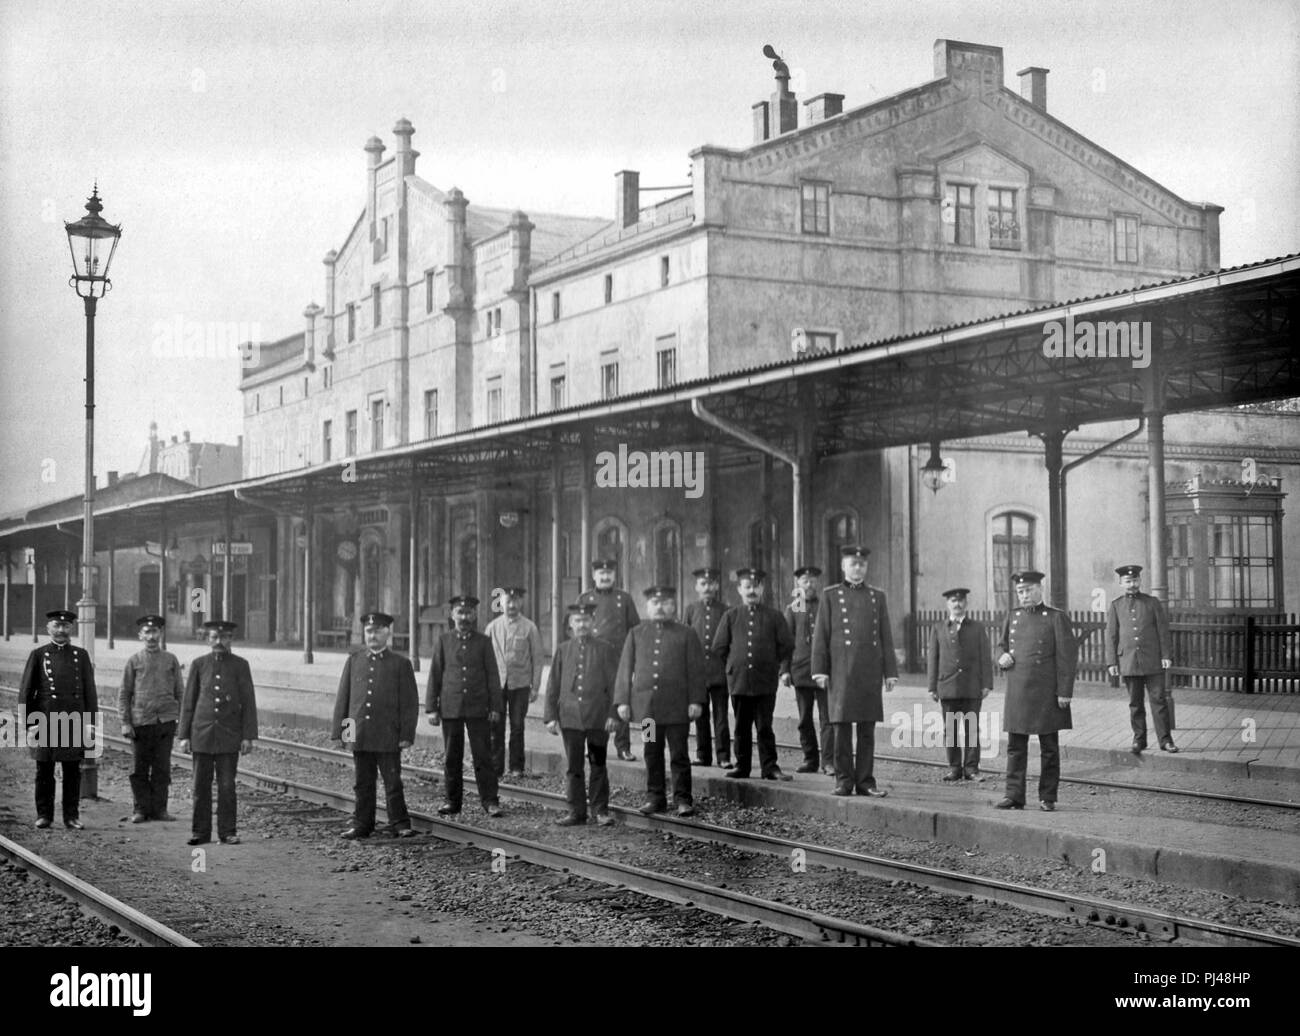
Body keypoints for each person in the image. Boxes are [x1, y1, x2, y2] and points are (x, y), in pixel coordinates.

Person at [811, 547, 897, 797]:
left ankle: (866, 781)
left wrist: (890, 672)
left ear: (866, 567)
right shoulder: (830, 596)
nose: (857, 568)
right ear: (843, 567)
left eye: (861, 564)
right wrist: (819, 670)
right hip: (840, 672)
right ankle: (844, 780)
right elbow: (821, 637)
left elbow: (886, 636)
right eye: (853, 564)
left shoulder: (876, 597)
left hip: (869, 672)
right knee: (842, 730)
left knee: (867, 730)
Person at [614, 586, 706, 817]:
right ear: (648, 606)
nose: (660, 607)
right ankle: (655, 798)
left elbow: (696, 671)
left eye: (665, 603)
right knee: (651, 752)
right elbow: (624, 670)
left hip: (677, 710)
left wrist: (696, 700)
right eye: (655, 603)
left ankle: (683, 799)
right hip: (648, 710)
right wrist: (622, 702)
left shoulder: (686, 633)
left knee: (679, 754)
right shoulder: (636, 633)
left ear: (673, 606)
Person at [331, 612, 419, 839]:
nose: (373, 635)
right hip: (360, 734)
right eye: (369, 631)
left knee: (393, 782)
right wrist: (343, 734)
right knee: (362, 783)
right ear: (364, 633)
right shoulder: (354, 660)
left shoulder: (400, 663)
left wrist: (406, 734)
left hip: (388, 735)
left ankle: (400, 823)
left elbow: (409, 703)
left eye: (378, 631)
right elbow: (345, 700)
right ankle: (362, 824)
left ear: (387, 633)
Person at [995, 571, 1076, 812]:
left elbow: (1067, 657)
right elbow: (1000, 645)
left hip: (1046, 693)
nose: (1024, 595)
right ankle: (1014, 795)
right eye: (1020, 591)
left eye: (1029, 590)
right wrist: (1001, 656)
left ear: (1040, 589)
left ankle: (1048, 797)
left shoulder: (1055, 618)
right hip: (1018, 692)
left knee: (1049, 748)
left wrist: (1064, 691)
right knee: (1015, 747)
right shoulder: (1013, 616)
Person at [179, 620, 258, 845]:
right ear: (207, 640)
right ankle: (200, 833)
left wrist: (247, 736)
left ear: (230, 639)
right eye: (214, 638)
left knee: (227, 786)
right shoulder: (198, 664)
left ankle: (227, 832)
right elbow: (188, 702)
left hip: (229, 735)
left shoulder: (240, 665)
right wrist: (183, 735)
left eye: (223, 638)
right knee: (200, 787)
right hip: (201, 735)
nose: (219, 642)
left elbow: (248, 703)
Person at [426, 596, 504, 817]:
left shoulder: (484, 642)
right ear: (452, 615)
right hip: (451, 708)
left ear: (475, 615)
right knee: (452, 757)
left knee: (483, 756)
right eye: (460, 613)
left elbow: (492, 676)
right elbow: (435, 675)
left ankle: (490, 801)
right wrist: (432, 707)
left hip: (479, 709)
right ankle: (452, 801)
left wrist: (495, 707)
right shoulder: (443, 641)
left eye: (468, 613)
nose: (464, 617)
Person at [20, 609, 98, 830]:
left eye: (65, 626)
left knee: (72, 771)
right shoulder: (38, 654)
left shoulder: (80, 656)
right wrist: (28, 725)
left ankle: (71, 817)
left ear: (71, 629)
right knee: (44, 770)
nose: (61, 630)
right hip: (45, 720)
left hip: (74, 720)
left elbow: (90, 692)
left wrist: (91, 723)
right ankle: (44, 815)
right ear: (48, 629)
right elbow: (26, 692)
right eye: (57, 626)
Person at [714, 568, 794, 781]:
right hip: (739, 682)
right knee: (741, 727)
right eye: (747, 587)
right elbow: (720, 647)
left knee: (765, 726)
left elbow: (786, 646)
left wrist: (771, 664)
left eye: (755, 586)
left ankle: (770, 768)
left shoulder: (775, 616)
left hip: (765, 682)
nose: (752, 591)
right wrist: (734, 667)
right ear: (739, 589)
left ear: (762, 589)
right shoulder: (731, 616)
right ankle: (742, 766)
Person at [544, 603, 619, 826]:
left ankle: (600, 810)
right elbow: (553, 685)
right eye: (577, 620)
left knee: (598, 764)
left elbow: (615, 685)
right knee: (573, 767)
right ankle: (576, 812)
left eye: (586, 620)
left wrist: (613, 714)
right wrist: (551, 716)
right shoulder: (563, 649)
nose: (582, 624)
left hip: (597, 718)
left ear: (593, 623)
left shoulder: (605, 649)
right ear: (570, 624)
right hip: (570, 719)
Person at [1105, 564, 1176, 755]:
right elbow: (1111, 635)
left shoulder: (1152, 603)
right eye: (1128, 581)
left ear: (1140, 581)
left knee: (1159, 701)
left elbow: (1162, 631)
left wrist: (1166, 655)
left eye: (1135, 580)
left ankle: (1166, 741)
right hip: (1128, 662)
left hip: (1153, 661)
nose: (1132, 584)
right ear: (1121, 583)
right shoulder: (1116, 605)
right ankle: (1139, 740)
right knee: (1135, 704)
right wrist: (1112, 662)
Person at [119, 614, 183, 822]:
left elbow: (180, 692)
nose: (151, 636)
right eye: (147, 632)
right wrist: (126, 722)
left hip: (165, 722)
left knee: (162, 768)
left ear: (161, 633)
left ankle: (160, 809)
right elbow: (124, 693)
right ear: (140, 635)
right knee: (139, 768)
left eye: (155, 631)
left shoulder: (171, 659)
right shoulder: (134, 661)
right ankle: (140, 809)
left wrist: (181, 719)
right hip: (141, 722)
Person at [926, 589, 993, 782]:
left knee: (972, 728)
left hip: (972, 687)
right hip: (948, 687)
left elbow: (985, 657)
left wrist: (987, 683)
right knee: (951, 729)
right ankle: (955, 768)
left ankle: (971, 768)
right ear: (948, 604)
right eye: (953, 601)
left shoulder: (977, 628)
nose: (957, 604)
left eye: (961, 601)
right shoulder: (938, 628)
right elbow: (933, 659)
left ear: (966, 603)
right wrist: (932, 686)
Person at [579, 559, 641, 761]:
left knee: (621, 702)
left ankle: (623, 747)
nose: (605, 577)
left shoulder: (624, 599)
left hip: (618, 659)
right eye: (601, 573)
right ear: (594, 576)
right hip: (593, 659)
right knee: (595, 703)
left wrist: (633, 660)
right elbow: (575, 629)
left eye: (609, 573)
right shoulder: (584, 598)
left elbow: (635, 630)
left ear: (614, 575)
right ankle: (595, 746)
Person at [485, 586, 545, 779]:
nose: (511, 605)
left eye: (515, 601)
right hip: (497, 686)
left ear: (521, 603)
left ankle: (516, 767)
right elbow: (484, 658)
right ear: (500, 603)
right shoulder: (492, 628)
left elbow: (537, 658)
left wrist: (535, 687)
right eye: (507, 601)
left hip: (520, 685)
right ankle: (496, 767)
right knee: (496, 726)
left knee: (518, 726)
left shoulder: (530, 627)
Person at [781, 565, 833, 775]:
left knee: (828, 718)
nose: (809, 585)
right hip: (801, 672)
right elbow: (785, 643)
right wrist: (784, 670)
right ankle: (810, 759)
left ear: (818, 583)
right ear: (798, 584)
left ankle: (828, 762)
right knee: (804, 719)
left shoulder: (826, 607)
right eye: (805, 581)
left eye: (812, 581)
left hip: (824, 673)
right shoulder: (792, 609)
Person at [684, 567, 730, 767]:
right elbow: (684, 639)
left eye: (711, 584)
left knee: (721, 717)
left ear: (717, 586)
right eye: (703, 584)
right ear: (697, 587)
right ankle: (703, 755)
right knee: (700, 717)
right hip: (698, 673)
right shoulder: (691, 610)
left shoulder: (726, 610)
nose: (707, 587)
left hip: (719, 671)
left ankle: (723, 756)